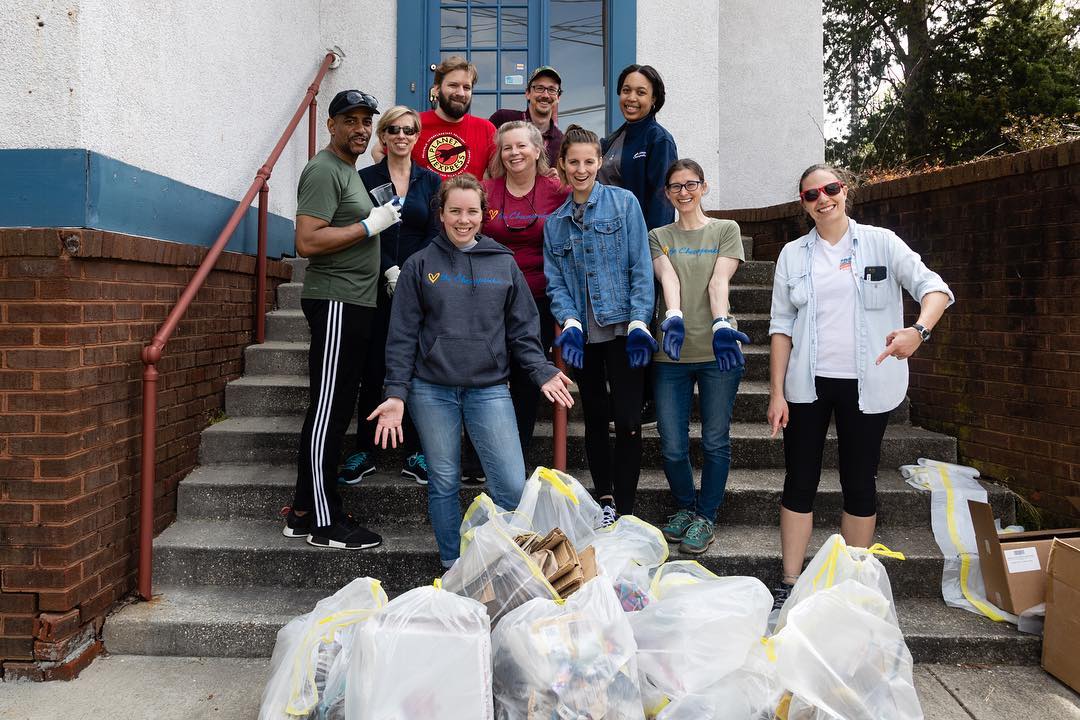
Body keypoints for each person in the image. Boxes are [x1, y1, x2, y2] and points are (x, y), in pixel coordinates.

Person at [767, 164, 954, 607]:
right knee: (799, 480)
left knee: (860, 482)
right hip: (806, 385)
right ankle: (789, 582)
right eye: (812, 194)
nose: (823, 199)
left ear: (845, 191)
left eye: (830, 189)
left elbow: (936, 289)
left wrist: (918, 331)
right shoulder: (793, 254)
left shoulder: (881, 242)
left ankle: (853, 587)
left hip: (867, 385)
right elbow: (780, 328)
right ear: (803, 203)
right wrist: (776, 391)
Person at [368, 174, 574, 568]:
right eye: (455, 211)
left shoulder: (503, 262)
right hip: (432, 390)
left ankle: (507, 564)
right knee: (444, 482)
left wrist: (541, 370)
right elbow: (402, 335)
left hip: (489, 388)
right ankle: (452, 564)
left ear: (484, 214)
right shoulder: (419, 264)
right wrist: (396, 393)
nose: (464, 219)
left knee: (511, 485)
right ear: (441, 214)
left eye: (472, 211)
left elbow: (523, 331)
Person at [281, 90, 401, 550]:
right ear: (330, 124)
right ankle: (324, 524)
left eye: (366, 120)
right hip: (335, 302)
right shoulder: (323, 169)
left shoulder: (346, 170)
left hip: (355, 300)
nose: (360, 128)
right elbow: (307, 242)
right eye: (350, 120)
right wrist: (370, 226)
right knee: (329, 413)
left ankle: (301, 511)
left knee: (332, 409)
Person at [544, 125, 657, 527]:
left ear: (599, 162)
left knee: (627, 420)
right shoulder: (555, 223)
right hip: (584, 338)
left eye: (588, 161)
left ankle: (626, 508)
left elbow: (640, 266)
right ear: (562, 165)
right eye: (573, 161)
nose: (581, 169)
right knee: (593, 417)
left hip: (624, 331)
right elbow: (555, 281)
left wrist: (641, 321)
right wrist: (570, 321)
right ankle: (605, 498)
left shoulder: (624, 204)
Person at [335, 106, 442, 488]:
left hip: (417, 285)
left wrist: (410, 273)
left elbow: (436, 232)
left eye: (408, 130)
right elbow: (362, 228)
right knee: (372, 365)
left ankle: (416, 450)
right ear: (383, 136)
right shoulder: (363, 179)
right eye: (393, 129)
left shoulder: (430, 182)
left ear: (417, 136)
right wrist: (388, 269)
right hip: (373, 283)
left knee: (414, 364)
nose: (401, 136)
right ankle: (364, 449)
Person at [650, 159, 747, 555]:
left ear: (704, 187)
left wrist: (721, 322)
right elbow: (668, 279)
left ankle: (706, 516)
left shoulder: (726, 230)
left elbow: (718, 281)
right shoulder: (659, 235)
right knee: (672, 443)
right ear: (667, 193)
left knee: (714, 440)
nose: (684, 192)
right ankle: (686, 508)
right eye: (675, 186)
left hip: (717, 351)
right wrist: (673, 315)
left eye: (691, 184)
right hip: (671, 352)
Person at [482, 121, 570, 455]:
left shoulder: (557, 190)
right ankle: (479, 455)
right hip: (490, 297)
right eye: (507, 147)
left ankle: (516, 451)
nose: (514, 153)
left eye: (521, 146)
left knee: (526, 377)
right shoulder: (486, 190)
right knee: (486, 374)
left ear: (537, 150)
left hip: (539, 298)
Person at [599, 64, 677, 231]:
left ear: (653, 98)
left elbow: (663, 201)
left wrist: (653, 248)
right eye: (626, 90)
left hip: (639, 242)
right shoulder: (613, 140)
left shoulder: (659, 140)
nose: (631, 98)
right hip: (607, 238)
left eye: (641, 92)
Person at [403, 55, 497, 181]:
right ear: (436, 90)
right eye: (453, 85)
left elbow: (499, 172)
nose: (460, 93)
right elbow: (379, 151)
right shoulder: (414, 123)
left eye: (467, 87)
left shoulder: (486, 129)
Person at [489, 66, 565, 167]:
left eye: (552, 90)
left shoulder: (561, 141)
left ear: (558, 97)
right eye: (539, 88)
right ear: (528, 93)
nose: (545, 95)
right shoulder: (503, 119)